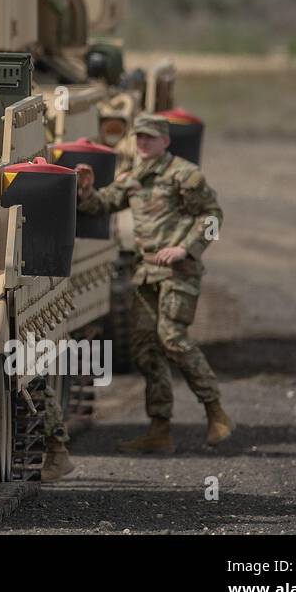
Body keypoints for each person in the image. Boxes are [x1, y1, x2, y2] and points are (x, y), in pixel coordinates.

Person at [75, 113, 233, 453]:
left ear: (165, 141)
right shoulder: (133, 178)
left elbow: (213, 216)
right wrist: (84, 190)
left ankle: (215, 411)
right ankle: (159, 430)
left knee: (173, 339)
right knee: (146, 350)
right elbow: (102, 204)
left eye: (150, 137)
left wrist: (185, 249)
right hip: (146, 273)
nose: (143, 143)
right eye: (139, 137)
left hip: (179, 272)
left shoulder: (184, 175)